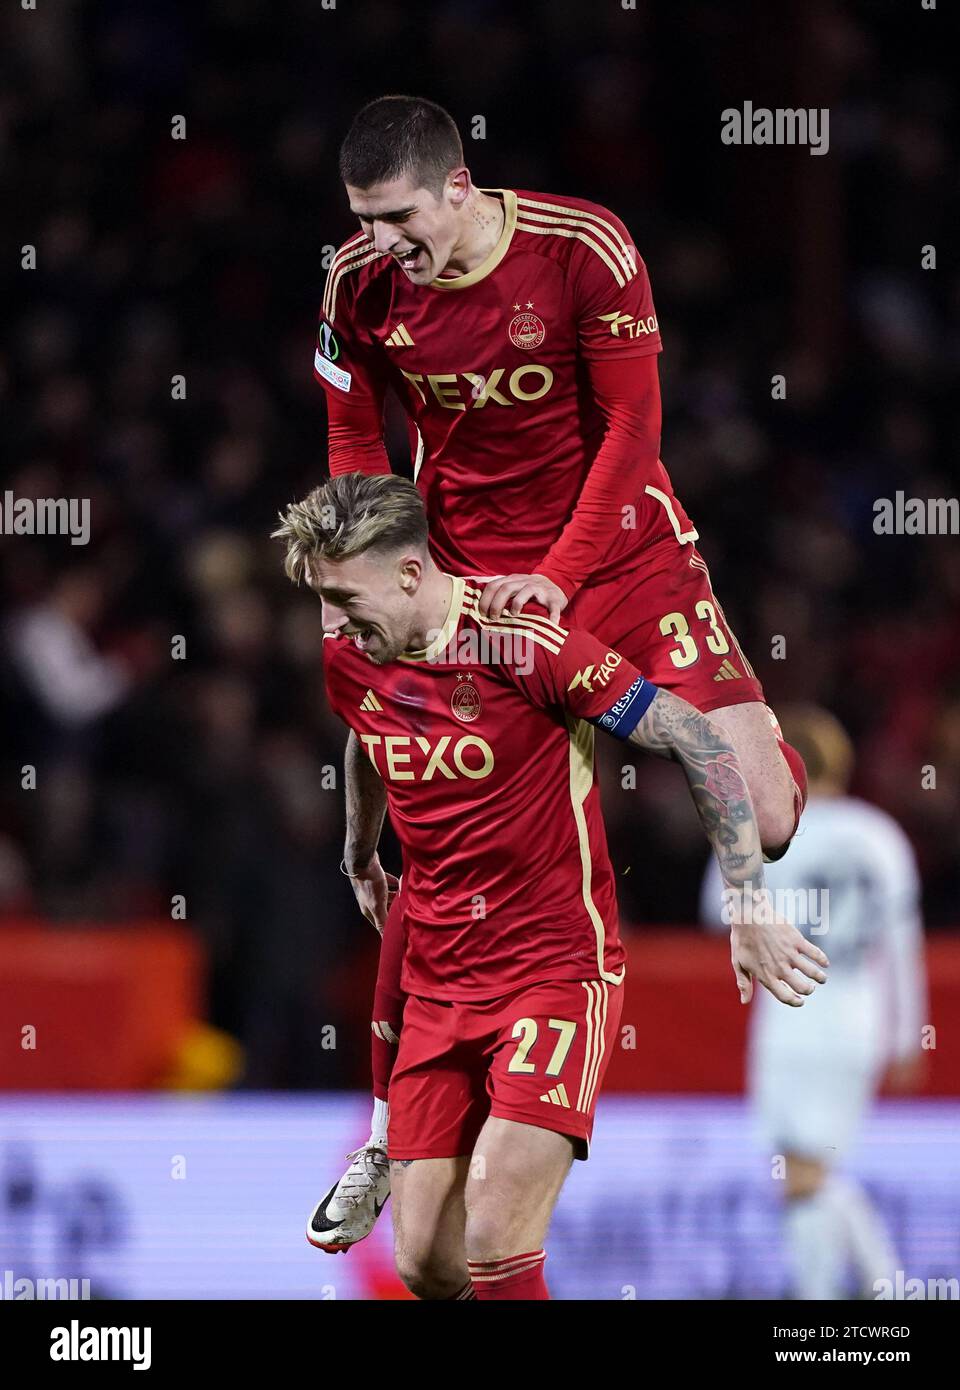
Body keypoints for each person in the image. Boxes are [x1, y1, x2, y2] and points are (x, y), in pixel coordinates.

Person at [311, 93, 809, 1247]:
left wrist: (563, 575)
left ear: (455, 186)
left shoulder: (585, 247)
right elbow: (351, 443)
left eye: (396, 218)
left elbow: (633, 433)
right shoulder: (355, 284)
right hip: (473, 575)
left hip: (623, 550)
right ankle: (434, 1107)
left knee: (769, 810)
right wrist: (384, 571)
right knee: (446, 819)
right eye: (363, 221)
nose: (383, 244)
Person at [274, 472, 828, 1299]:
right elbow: (367, 737)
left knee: (497, 1227)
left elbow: (699, 742)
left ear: (411, 574)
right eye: (321, 601)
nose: (331, 625)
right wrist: (361, 851)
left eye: (343, 598)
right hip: (436, 982)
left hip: (553, 972)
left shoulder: (522, 643)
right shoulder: (359, 653)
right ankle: (390, 1152)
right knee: (426, 1261)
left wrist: (747, 902)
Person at [700, 706, 926, 1300]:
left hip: (793, 1017)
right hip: (859, 1019)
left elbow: (712, 907)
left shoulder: (770, 827)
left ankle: (839, 1297)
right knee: (812, 1174)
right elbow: (901, 947)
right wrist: (908, 1036)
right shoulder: (881, 834)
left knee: (800, 1175)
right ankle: (882, 1289)